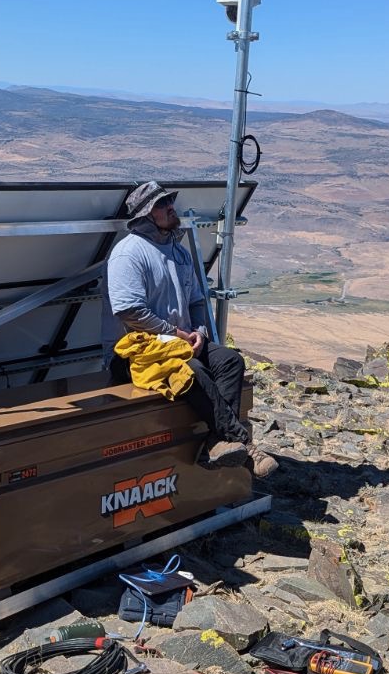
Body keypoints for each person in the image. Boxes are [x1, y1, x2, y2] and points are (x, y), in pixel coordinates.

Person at [103, 180, 276, 479]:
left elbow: (196, 300)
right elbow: (129, 311)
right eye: (162, 204)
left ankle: (216, 441)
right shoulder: (129, 253)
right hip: (135, 354)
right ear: (146, 214)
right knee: (193, 369)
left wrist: (198, 332)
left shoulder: (178, 252)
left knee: (230, 361)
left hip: (181, 344)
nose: (172, 207)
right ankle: (244, 446)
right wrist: (175, 333)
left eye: (170, 200)